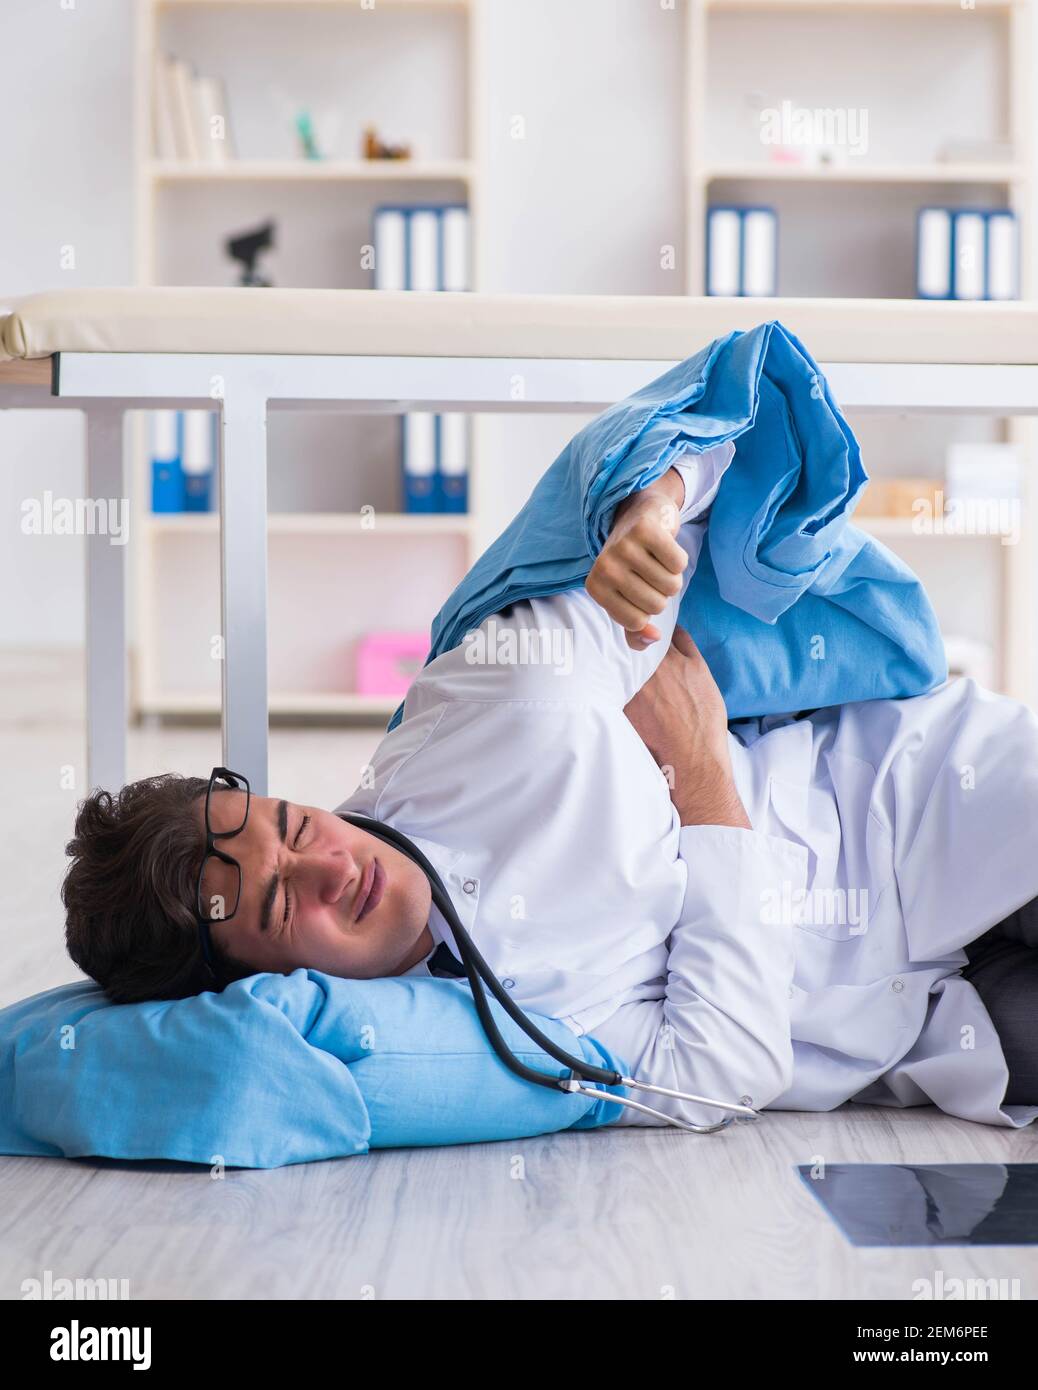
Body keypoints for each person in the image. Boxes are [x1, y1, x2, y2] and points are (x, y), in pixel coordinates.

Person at [62, 445, 1038, 1129]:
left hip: (902, 807)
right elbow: (722, 1073)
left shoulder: (483, 704)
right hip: (920, 1032)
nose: (325, 863)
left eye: (287, 824)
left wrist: (647, 509)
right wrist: (699, 788)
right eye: (278, 903)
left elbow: (662, 473)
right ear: (261, 982)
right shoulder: (484, 1048)